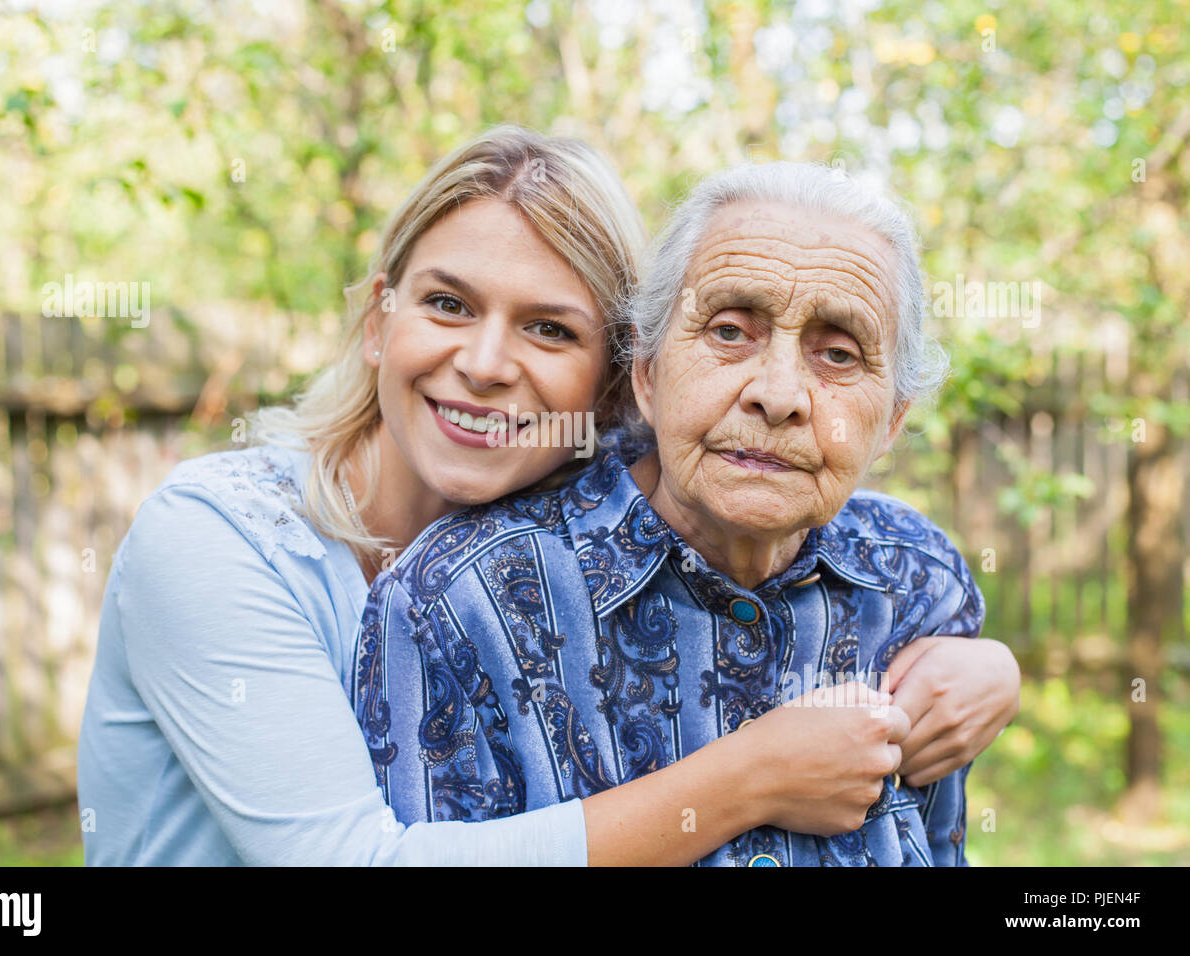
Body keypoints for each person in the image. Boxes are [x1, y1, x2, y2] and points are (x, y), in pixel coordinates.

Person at [78, 129, 1019, 865]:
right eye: (448, 303)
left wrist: (987, 663)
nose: (485, 366)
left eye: (548, 329)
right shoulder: (220, 538)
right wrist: (751, 777)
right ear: (378, 321)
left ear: (616, 377)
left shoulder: (616, 536)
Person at [351, 160, 1021, 865]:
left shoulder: (916, 579)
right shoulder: (459, 601)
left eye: (838, 353)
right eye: (731, 331)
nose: (779, 393)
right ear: (646, 372)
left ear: (891, 421)